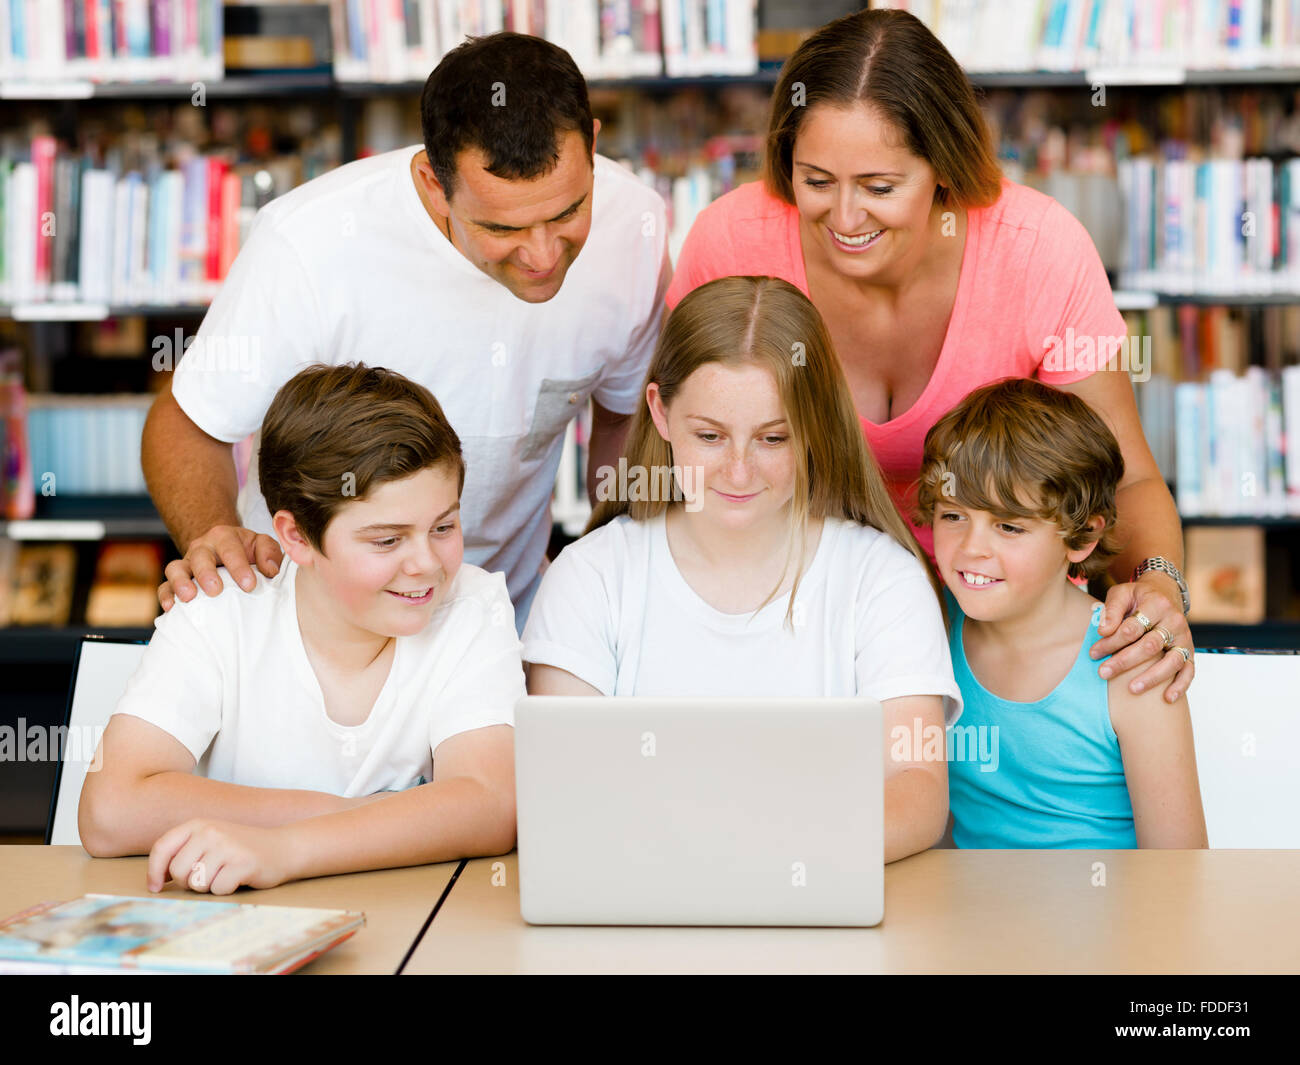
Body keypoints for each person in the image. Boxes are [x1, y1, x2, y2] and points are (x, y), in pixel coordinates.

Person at [666, 7, 1195, 703]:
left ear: (944, 171)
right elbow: (678, 454)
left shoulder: (1041, 250)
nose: (845, 218)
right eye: (816, 181)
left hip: (1000, 617)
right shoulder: (733, 241)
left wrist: (1159, 582)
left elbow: (1127, 480)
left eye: (880, 188)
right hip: (798, 615)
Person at [145, 32, 670, 631]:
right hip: (311, 625)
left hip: (501, 617)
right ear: (432, 184)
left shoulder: (638, 228)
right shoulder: (308, 243)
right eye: (502, 226)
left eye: (568, 212)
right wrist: (215, 535)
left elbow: (627, 415)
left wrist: (605, 559)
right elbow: (187, 427)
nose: (543, 255)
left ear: (595, 146)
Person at [523, 276, 962, 863]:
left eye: (772, 438)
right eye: (709, 436)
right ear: (659, 411)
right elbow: (562, 797)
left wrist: (760, 860)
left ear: (816, 424)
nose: (737, 471)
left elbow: (918, 793)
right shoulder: (590, 579)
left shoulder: (881, 580)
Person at [80, 364, 522, 894]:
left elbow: (491, 805)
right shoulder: (221, 609)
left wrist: (285, 849)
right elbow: (109, 810)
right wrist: (364, 818)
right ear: (296, 537)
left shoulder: (474, 607)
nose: (427, 564)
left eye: (444, 527)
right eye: (387, 540)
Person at [916, 378, 1207, 849]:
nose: (971, 549)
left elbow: (1181, 869)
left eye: (1009, 526)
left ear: (1082, 538)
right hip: (967, 916)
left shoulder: (1130, 658)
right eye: (953, 515)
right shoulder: (928, 627)